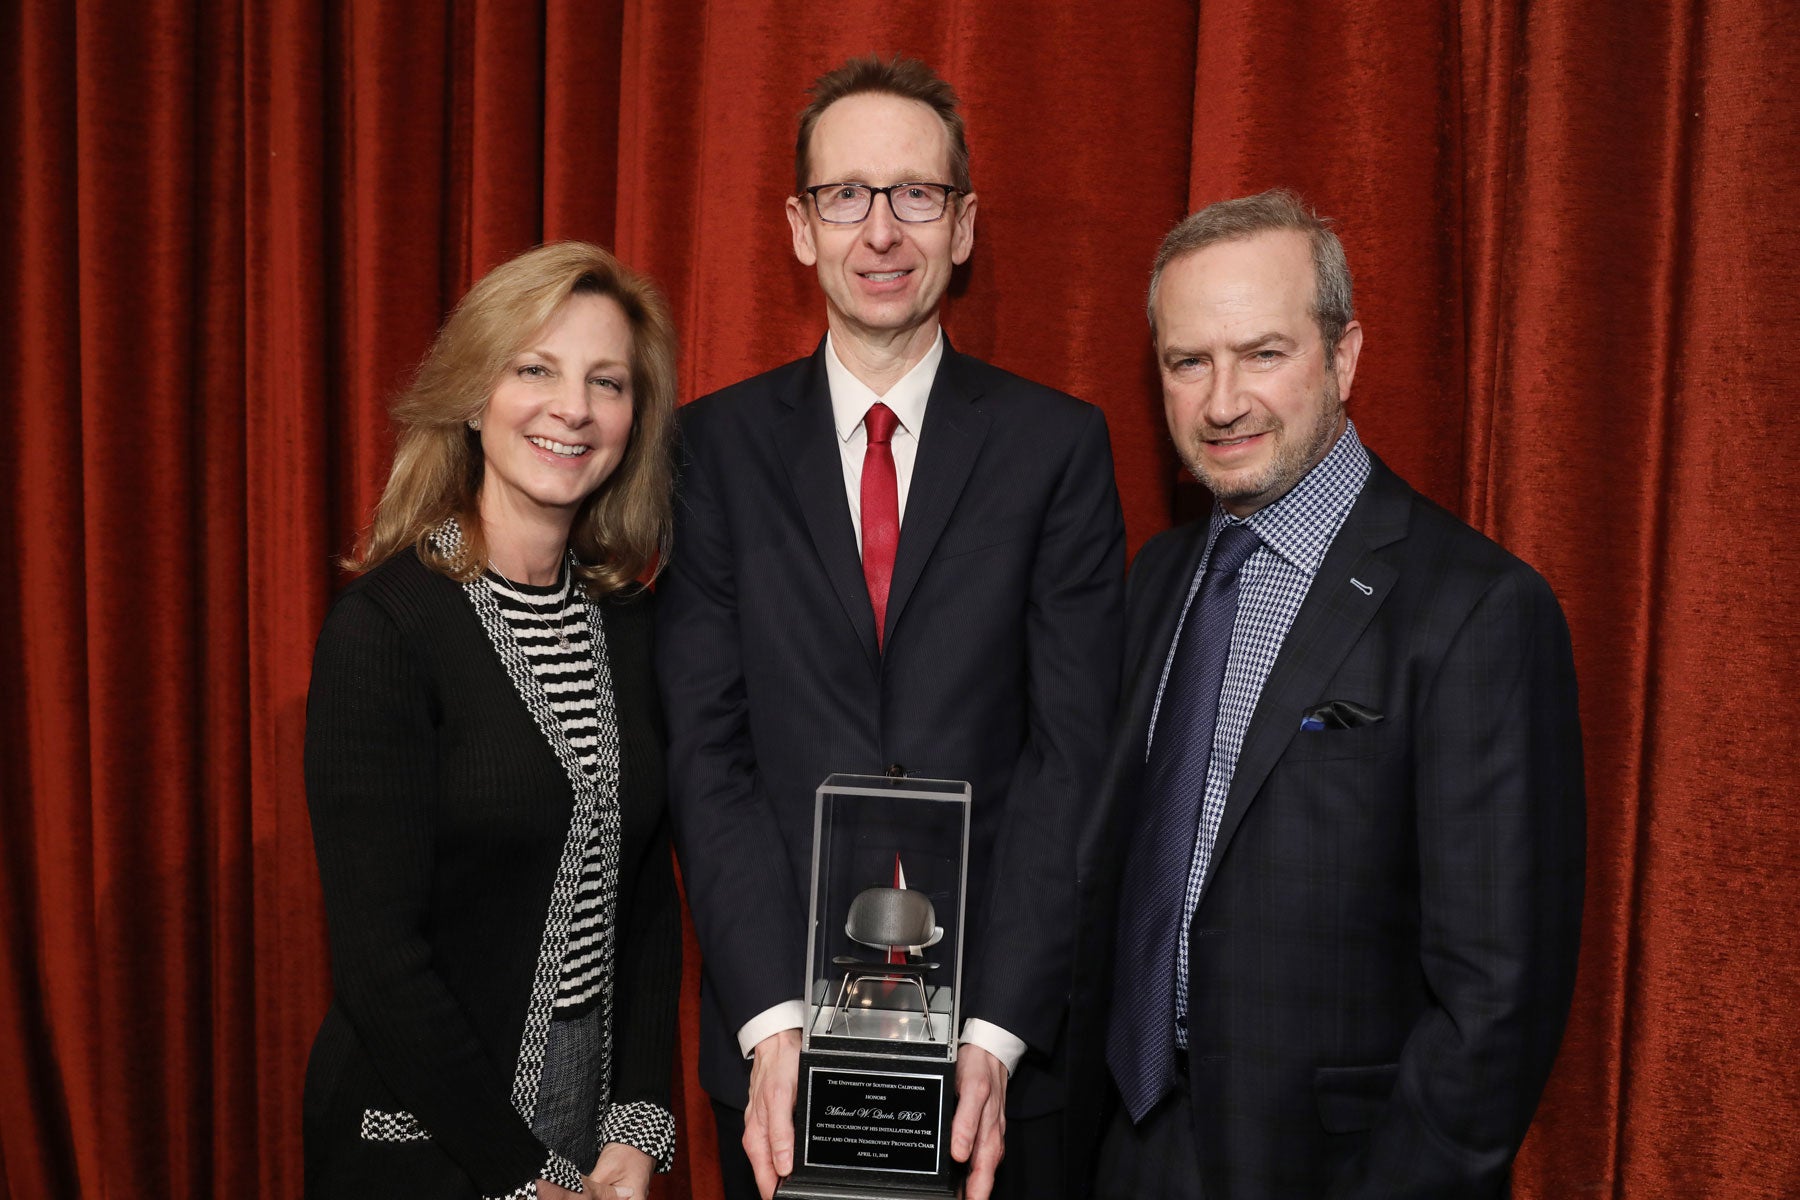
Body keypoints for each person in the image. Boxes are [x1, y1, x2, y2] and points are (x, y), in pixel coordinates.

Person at [656, 55, 1125, 1200]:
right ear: (799, 227)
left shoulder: (1057, 450)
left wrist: (997, 1033)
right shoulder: (709, 451)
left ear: (962, 226)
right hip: (778, 1058)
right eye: (845, 196)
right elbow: (707, 754)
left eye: (916, 194)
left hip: (996, 1064)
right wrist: (773, 1020)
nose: (880, 231)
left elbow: (1072, 758)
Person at [1067, 190, 1586, 1198]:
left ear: (1343, 357)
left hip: (1327, 1170)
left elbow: (1498, 1001)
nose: (1223, 403)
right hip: (1125, 1145)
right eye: (1188, 362)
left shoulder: (1476, 609)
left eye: (1263, 354)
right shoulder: (1158, 578)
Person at [302, 241, 681, 1200]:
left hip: (594, 1133)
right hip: (427, 1135)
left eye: (607, 382)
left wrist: (640, 1119)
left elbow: (645, 893)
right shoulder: (386, 629)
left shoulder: (631, 623)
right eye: (535, 370)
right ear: (474, 398)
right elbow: (381, 963)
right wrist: (520, 1172)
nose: (573, 409)